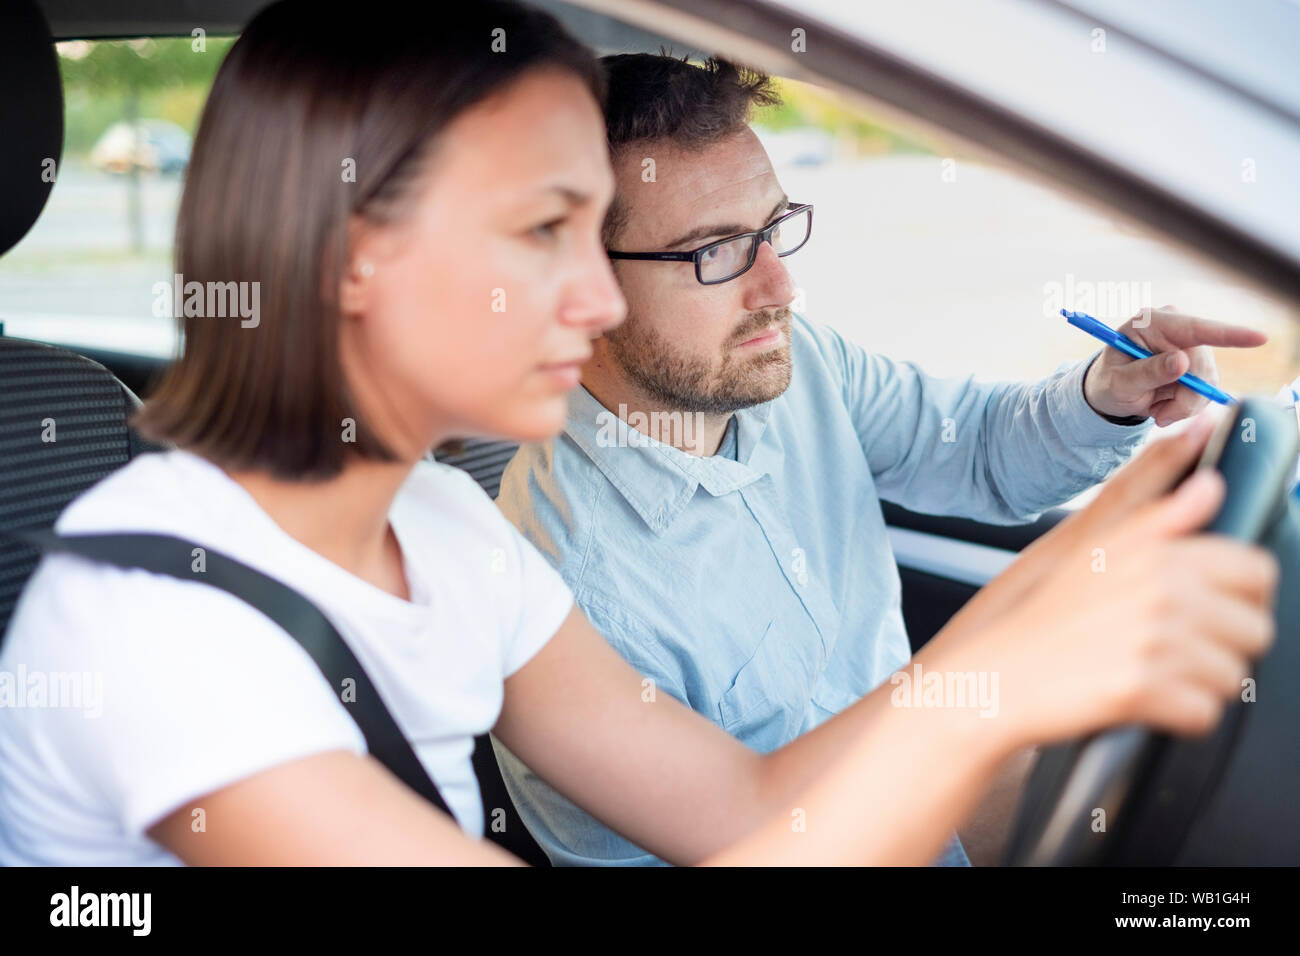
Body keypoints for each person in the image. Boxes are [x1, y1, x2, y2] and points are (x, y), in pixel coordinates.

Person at [0, 1, 1276, 866]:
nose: (599, 303)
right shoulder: (157, 633)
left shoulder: (442, 527)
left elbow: (742, 809)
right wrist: (1018, 657)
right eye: (540, 232)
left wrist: (1078, 571)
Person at [492, 53, 1272, 865]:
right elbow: (769, 836)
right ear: (580, 286)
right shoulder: (564, 582)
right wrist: (1062, 593)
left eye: (772, 229)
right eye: (716, 252)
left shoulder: (792, 367)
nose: (780, 287)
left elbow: (977, 448)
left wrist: (1110, 391)